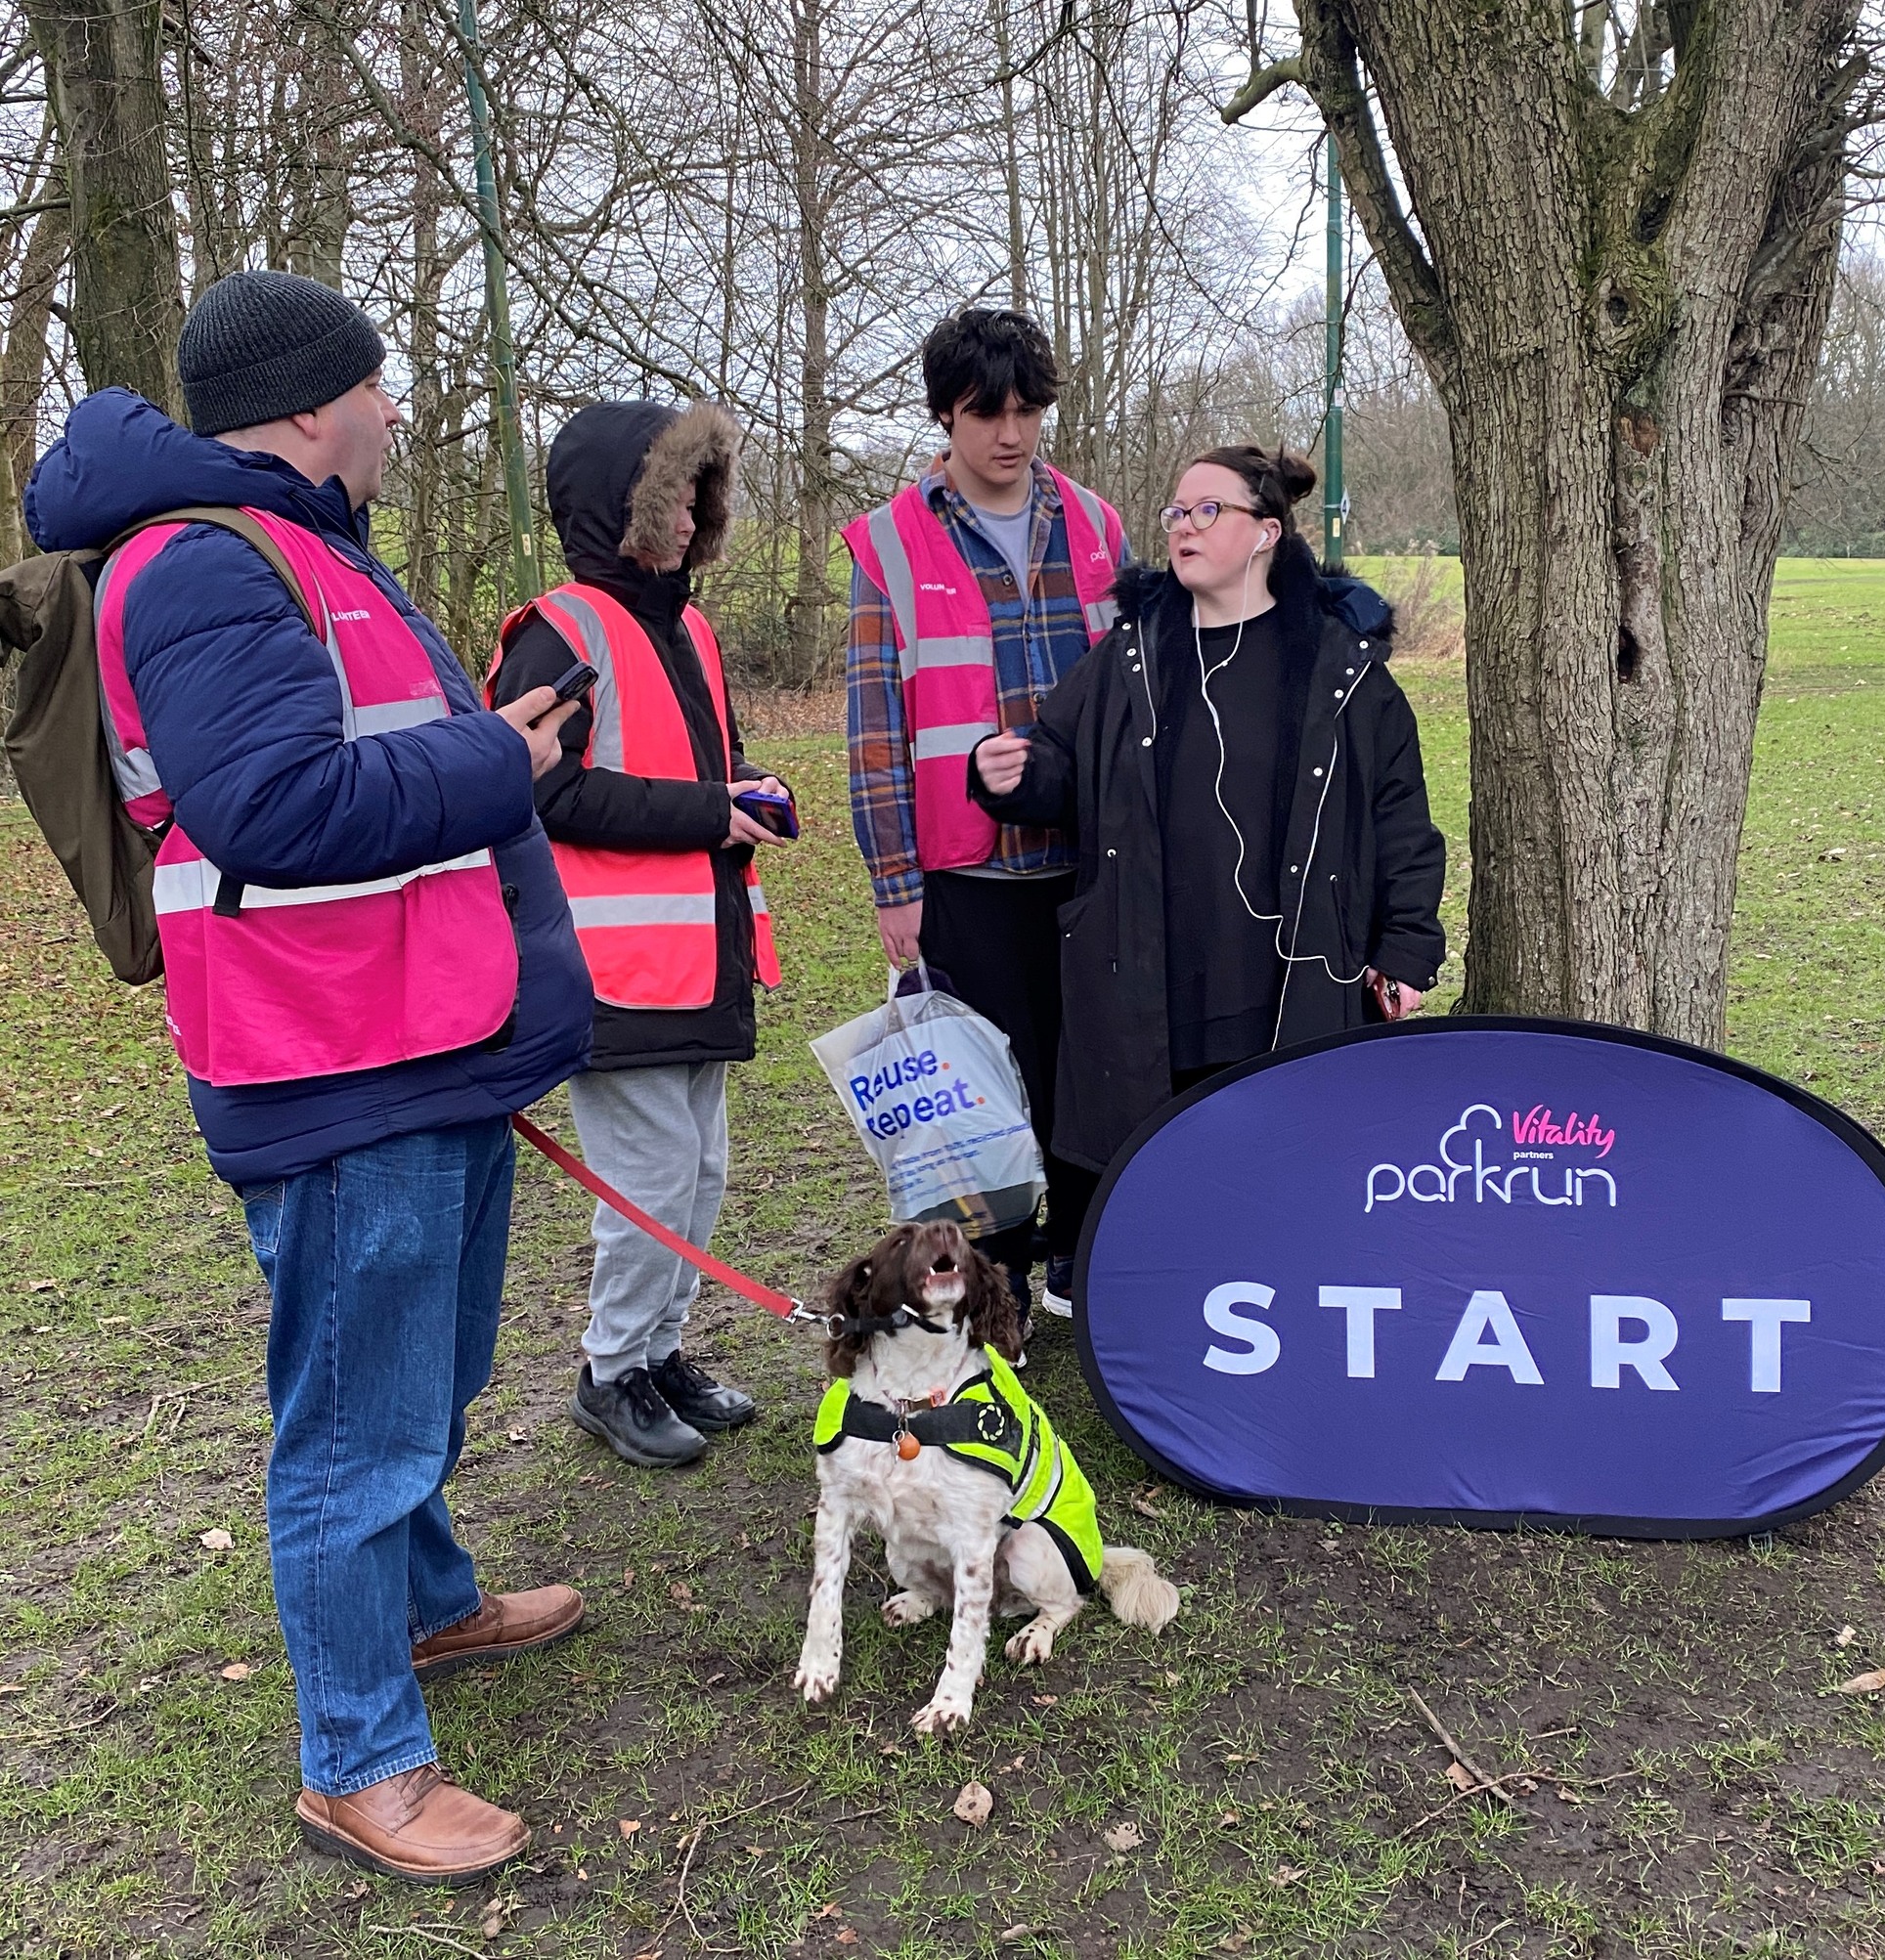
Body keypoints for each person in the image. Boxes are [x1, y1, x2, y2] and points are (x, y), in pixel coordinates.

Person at [24, 271, 596, 1883]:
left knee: (424, 1374)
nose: (395, 409)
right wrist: (505, 759)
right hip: (335, 1064)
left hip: (421, 1038)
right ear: (309, 402)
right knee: (352, 1424)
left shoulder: (306, 550)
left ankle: (426, 1607)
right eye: (377, 384)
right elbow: (274, 808)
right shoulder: (205, 566)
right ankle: (359, 1761)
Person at [969, 443, 1447, 1181]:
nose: (1183, 526)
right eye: (1175, 512)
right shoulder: (1133, 653)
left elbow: (1401, 821)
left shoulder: (1341, 666)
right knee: (1168, 1191)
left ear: (1265, 532)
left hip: (1295, 988)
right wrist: (1009, 776)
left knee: (1290, 1187)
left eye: (1207, 510)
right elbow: (1064, 768)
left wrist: (1407, 949)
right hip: (1153, 991)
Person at [488, 401, 784, 1468]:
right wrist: (711, 809)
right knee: (651, 1184)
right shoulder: (556, 632)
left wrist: (745, 794)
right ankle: (610, 1371)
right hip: (612, 970)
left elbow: (701, 768)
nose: (695, 509)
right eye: (677, 489)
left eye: (703, 489)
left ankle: (657, 1353)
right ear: (626, 505)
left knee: (695, 1176)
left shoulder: (688, 624)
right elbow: (542, 789)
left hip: (701, 956)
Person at [843, 307, 1128, 1328]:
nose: (1010, 433)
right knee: (978, 1104)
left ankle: (1082, 1269)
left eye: (1027, 410)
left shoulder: (1096, 524)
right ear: (944, 415)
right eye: (985, 413)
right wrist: (894, 886)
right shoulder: (887, 542)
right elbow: (874, 727)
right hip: (963, 879)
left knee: (1087, 1083)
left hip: (1085, 868)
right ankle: (994, 1292)